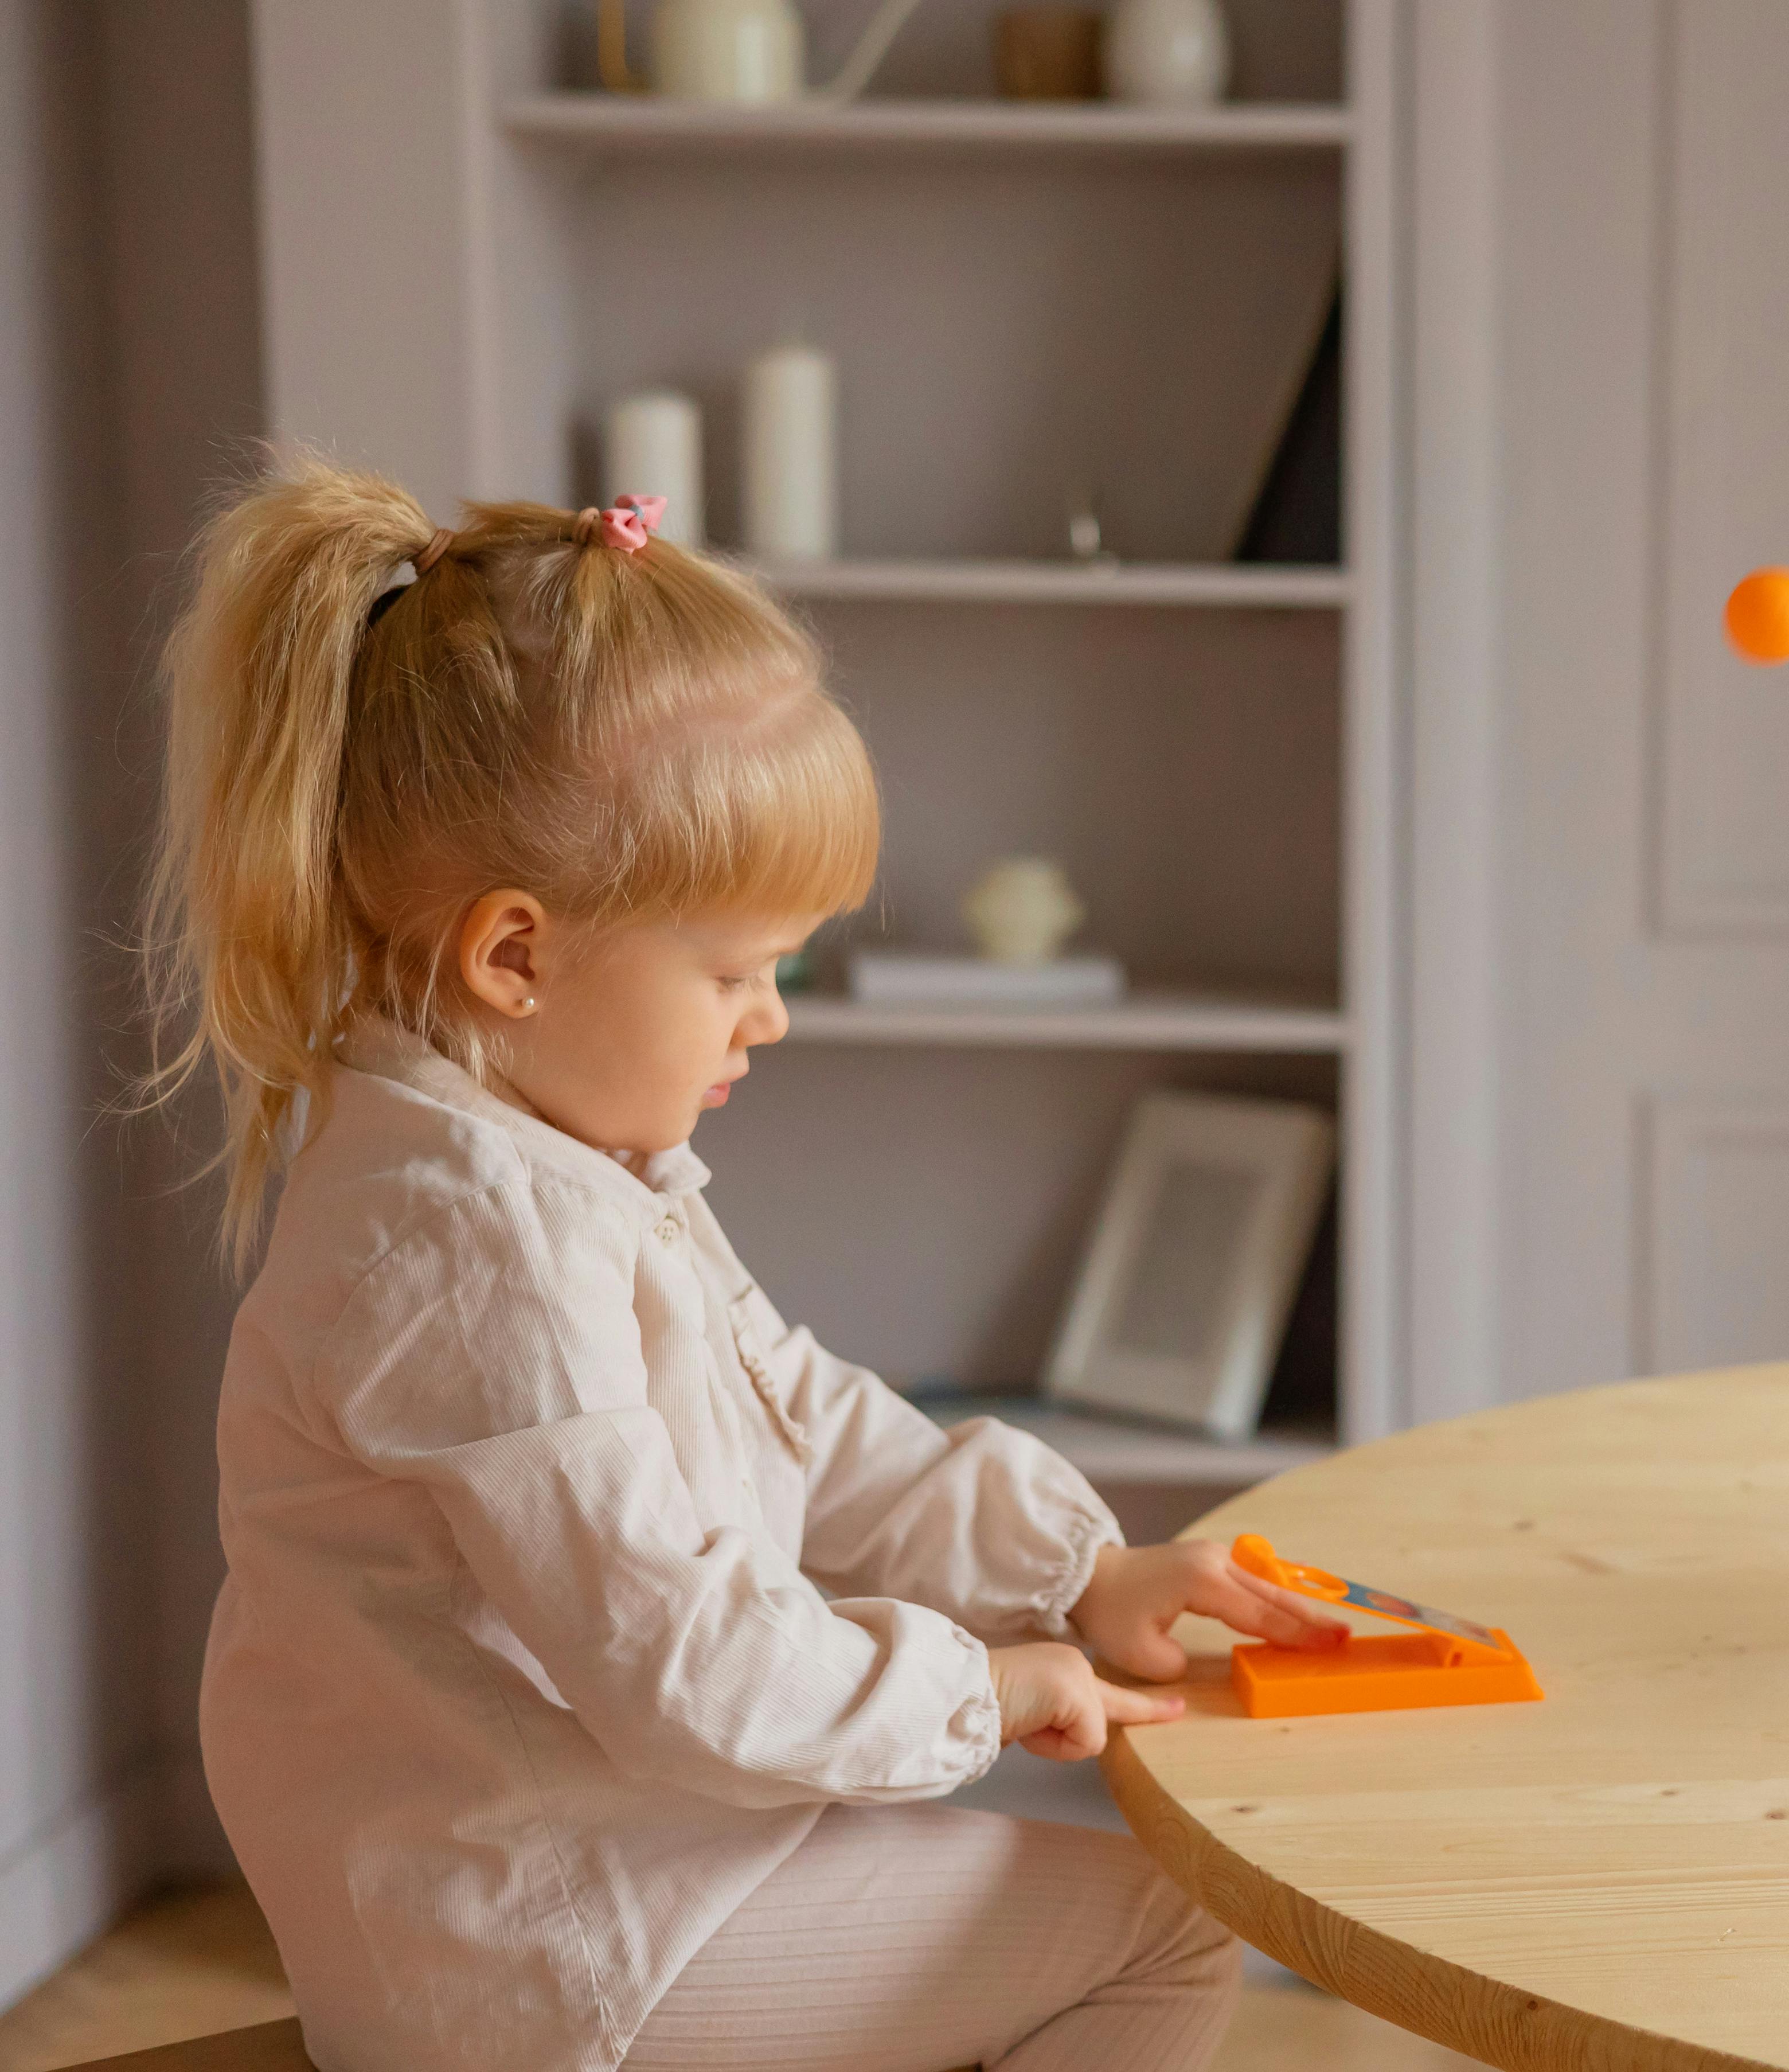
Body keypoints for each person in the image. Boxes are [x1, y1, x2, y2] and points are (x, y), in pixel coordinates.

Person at [143, 460, 1347, 2072]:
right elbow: (686, 1664)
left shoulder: (548, 1172)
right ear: (517, 956)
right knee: (1164, 1927)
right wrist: (982, 1692)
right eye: (734, 970)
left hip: (603, 1862)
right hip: (547, 1937)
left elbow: (800, 1415)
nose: (770, 1015)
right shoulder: (475, 1252)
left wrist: (1073, 1575)